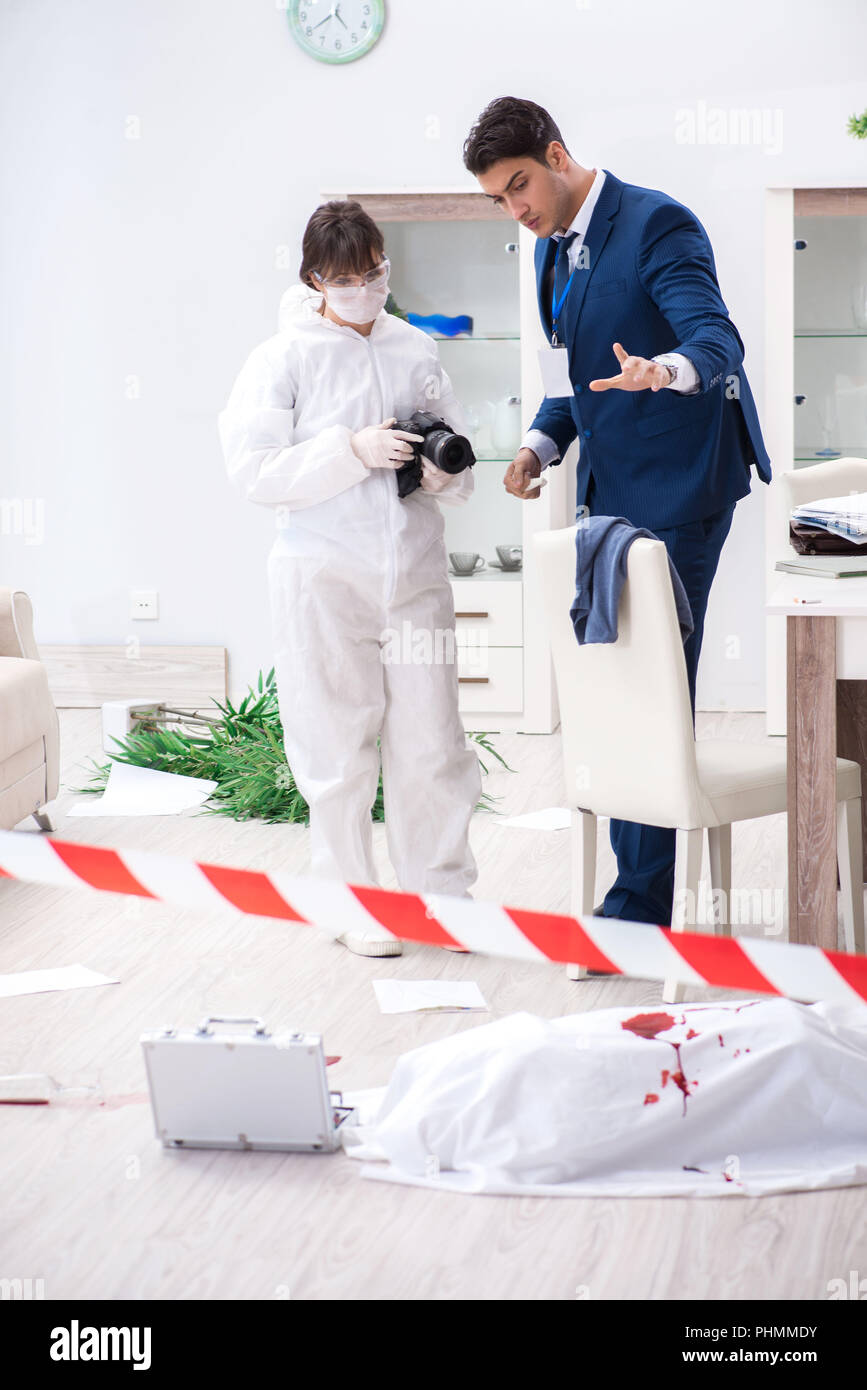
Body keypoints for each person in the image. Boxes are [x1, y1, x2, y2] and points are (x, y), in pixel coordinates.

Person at [463, 97, 772, 928]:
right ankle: (636, 892)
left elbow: (715, 342)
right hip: (610, 489)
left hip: (681, 484)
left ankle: (638, 907)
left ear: (557, 154)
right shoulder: (547, 252)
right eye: (499, 198)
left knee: (654, 685)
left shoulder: (658, 223)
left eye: (519, 185)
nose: (515, 209)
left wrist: (660, 370)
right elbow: (569, 380)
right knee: (617, 681)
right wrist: (537, 446)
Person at [218, 200, 481, 956]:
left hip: (416, 573)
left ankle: (442, 898)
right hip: (322, 575)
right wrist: (348, 450)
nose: (364, 289)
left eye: (373, 273)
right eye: (346, 279)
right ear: (314, 279)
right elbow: (255, 472)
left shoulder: (414, 346)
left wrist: (437, 476)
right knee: (335, 743)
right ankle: (351, 905)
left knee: (434, 743)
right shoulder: (280, 359)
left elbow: (457, 462)